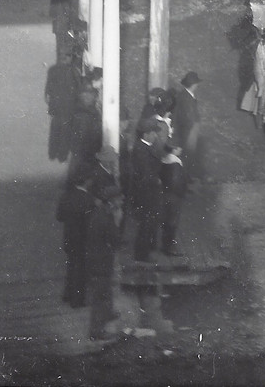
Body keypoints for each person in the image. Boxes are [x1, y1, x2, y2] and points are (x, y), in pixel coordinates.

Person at [85, 182, 123, 339]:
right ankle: (96, 331)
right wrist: (117, 222)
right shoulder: (106, 217)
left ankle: (107, 314)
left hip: (97, 258)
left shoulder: (100, 212)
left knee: (105, 290)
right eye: (120, 198)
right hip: (100, 261)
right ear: (112, 201)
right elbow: (115, 239)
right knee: (100, 294)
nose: (123, 200)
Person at [56, 168, 96, 307]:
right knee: (81, 270)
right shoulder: (88, 199)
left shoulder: (65, 196)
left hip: (69, 237)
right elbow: (91, 223)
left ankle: (68, 294)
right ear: (86, 182)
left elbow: (59, 217)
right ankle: (77, 300)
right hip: (83, 240)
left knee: (71, 266)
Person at [129, 117, 166, 262]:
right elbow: (146, 173)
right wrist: (156, 179)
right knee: (145, 223)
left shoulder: (145, 147)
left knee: (150, 222)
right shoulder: (141, 150)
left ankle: (148, 250)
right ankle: (142, 255)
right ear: (146, 134)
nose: (155, 135)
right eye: (153, 133)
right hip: (146, 192)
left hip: (149, 191)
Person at [46, 49, 79, 163]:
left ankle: (58, 154)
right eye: (63, 55)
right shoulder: (56, 70)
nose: (65, 58)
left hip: (64, 107)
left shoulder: (72, 71)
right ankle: (56, 153)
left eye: (68, 56)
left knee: (61, 130)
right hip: (61, 107)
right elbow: (48, 89)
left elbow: (77, 90)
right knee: (59, 130)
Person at [173, 72, 202, 179]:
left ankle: (186, 179)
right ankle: (184, 182)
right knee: (187, 155)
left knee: (188, 155)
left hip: (189, 130)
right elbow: (187, 117)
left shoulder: (187, 95)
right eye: (196, 83)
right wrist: (194, 128)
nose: (197, 85)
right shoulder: (185, 97)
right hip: (188, 131)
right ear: (193, 85)